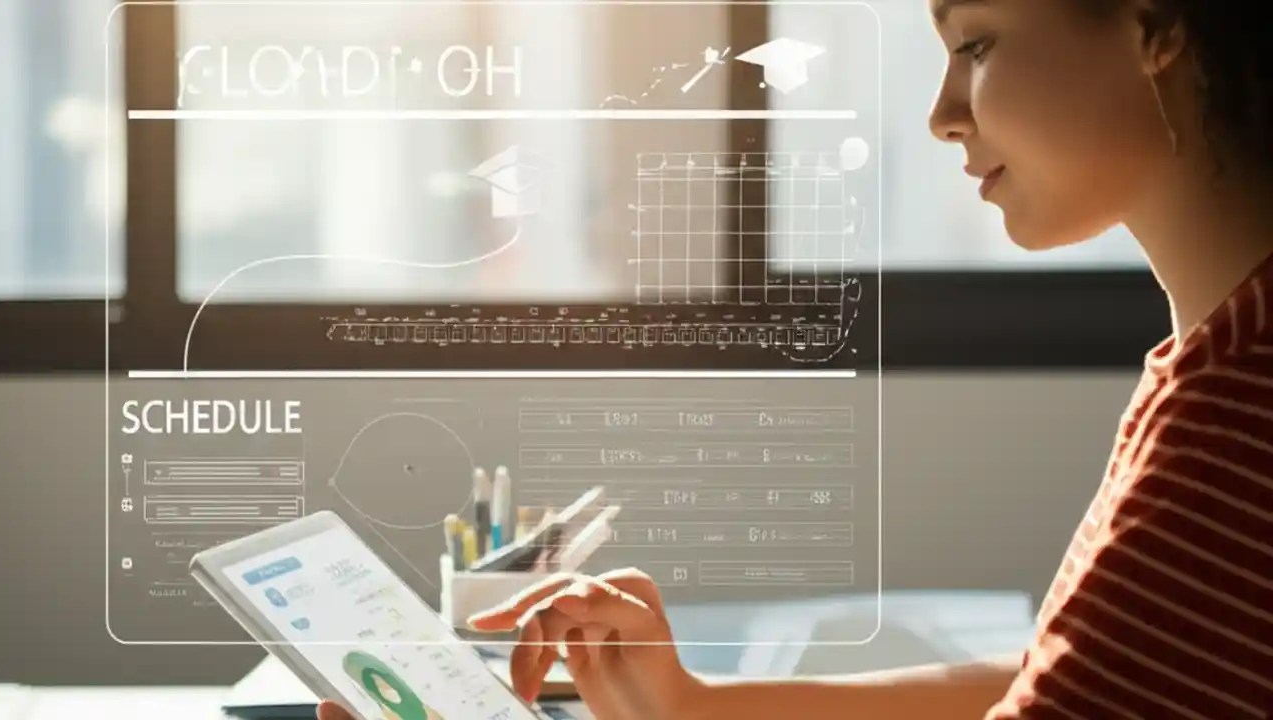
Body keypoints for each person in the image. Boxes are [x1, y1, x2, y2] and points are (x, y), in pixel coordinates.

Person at [320, 0, 1273, 717]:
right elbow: (1066, 678)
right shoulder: (1220, 361)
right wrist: (694, 706)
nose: (942, 115)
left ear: (1155, 26)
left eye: (977, 45)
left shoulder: (1236, 412)